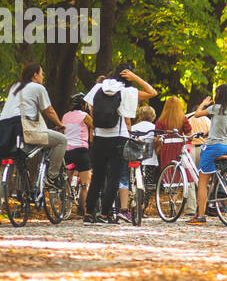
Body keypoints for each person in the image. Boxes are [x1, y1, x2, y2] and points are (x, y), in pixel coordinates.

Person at [0, 63, 67, 227]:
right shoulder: (38, 88)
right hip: (25, 130)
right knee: (61, 140)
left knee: (4, 172)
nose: (43, 77)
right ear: (35, 75)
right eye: (42, 74)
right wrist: (59, 124)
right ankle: (51, 177)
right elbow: (49, 110)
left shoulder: (15, 87)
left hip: (5, 131)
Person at [83, 62, 155, 224]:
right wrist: (135, 78)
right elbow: (152, 92)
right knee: (114, 177)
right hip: (119, 137)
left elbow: (91, 111)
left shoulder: (98, 88)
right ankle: (105, 214)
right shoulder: (128, 91)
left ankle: (88, 214)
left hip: (99, 137)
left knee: (97, 177)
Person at [185, 84, 227, 226]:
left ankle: (200, 216)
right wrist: (208, 133)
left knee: (202, 183)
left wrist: (203, 104)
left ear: (219, 94)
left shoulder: (216, 108)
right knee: (214, 178)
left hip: (212, 147)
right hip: (225, 147)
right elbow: (220, 127)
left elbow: (196, 115)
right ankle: (213, 205)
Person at [155, 96, 196, 217]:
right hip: (179, 147)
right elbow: (189, 134)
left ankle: (171, 201)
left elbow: (157, 136)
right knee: (181, 175)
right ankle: (178, 200)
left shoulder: (161, 120)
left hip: (166, 148)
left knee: (169, 175)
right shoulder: (182, 118)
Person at [120, 105, 159, 219]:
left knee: (133, 181)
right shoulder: (154, 127)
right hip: (150, 159)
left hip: (135, 157)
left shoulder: (133, 127)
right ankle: (142, 207)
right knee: (148, 185)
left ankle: (131, 204)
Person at [61, 94, 93, 216]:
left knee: (67, 182)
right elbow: (95, 126)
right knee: (86, 184)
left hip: (67, 152)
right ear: (84, 105)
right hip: (81, 151)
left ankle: (64, 210)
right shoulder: (85, 116)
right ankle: (86, 212)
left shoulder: (65, 116)